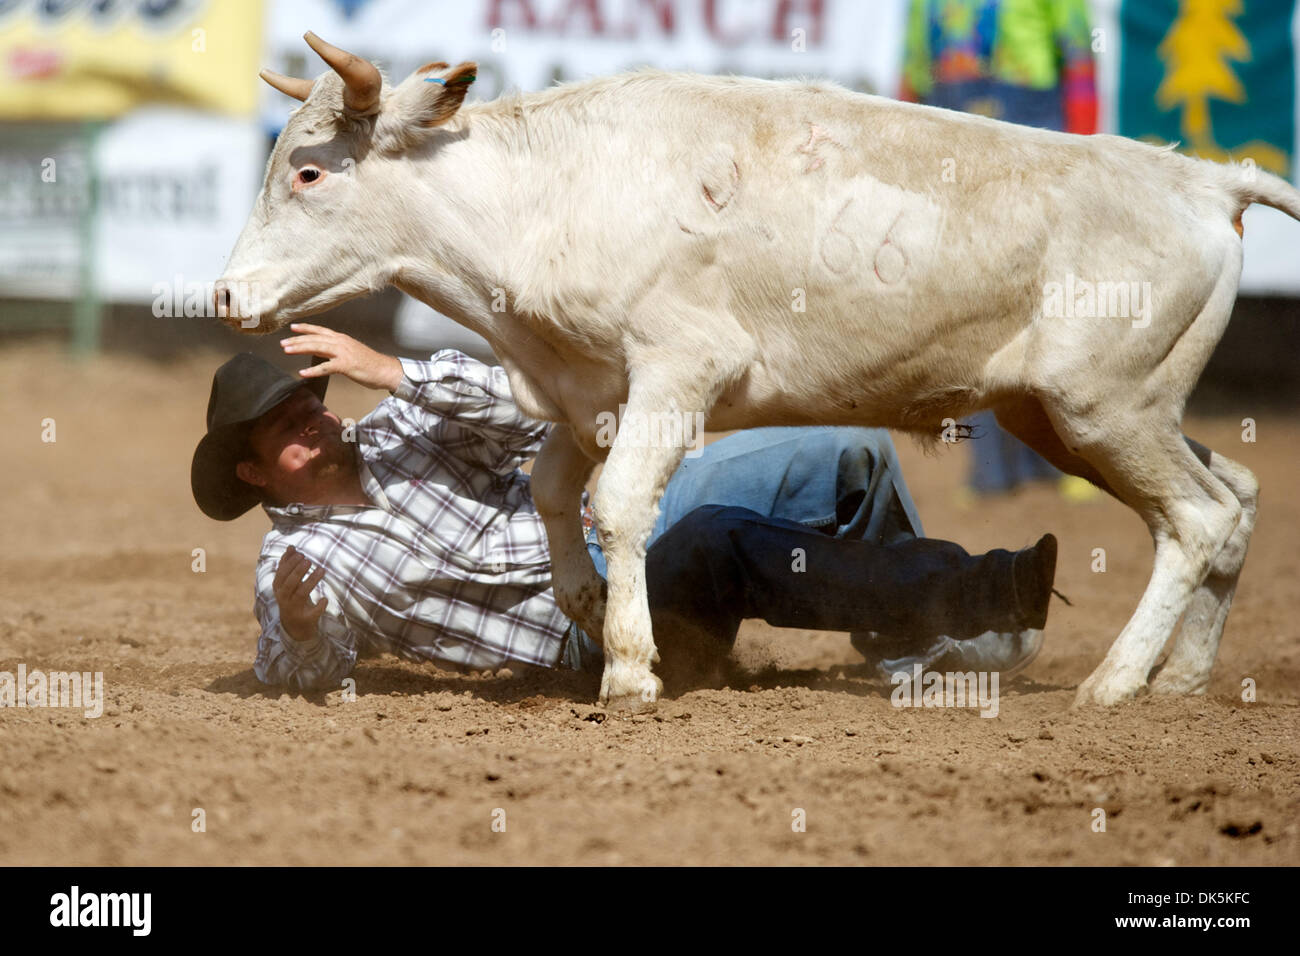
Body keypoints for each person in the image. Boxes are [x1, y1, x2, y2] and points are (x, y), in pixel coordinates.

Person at [190, 325, 1059, 695]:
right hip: (590, 627)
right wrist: (304, 630)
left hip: (618, 521)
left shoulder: (403, 425)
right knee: (719, 547)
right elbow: (296, 665)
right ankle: (978, 595)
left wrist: (400, 370)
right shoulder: (296, 569)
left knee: (848, 450)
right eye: (289, 430)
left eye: (310, 405)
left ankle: (911, 645)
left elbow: (529, 400)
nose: (317, 420)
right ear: (254, 472)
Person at [900, 0, 1100, 500]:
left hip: (1036, 148)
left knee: (1053, 304)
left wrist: (1083, 158)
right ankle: (989, 470)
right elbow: (912, 79)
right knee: (969, 313)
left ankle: (1071, 461)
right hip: (957, 154)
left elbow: (1079, 60)